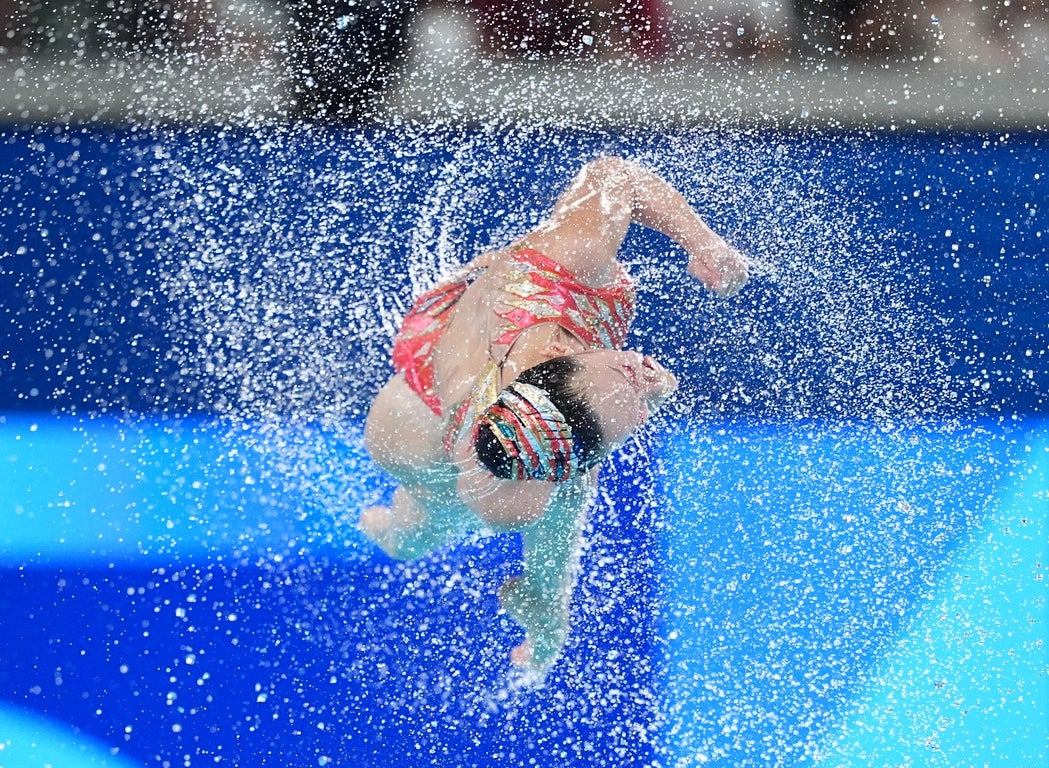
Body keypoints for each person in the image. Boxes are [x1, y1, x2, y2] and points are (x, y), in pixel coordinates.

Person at [361, 156, 748, 672]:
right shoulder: (536, 462)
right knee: (425, 525)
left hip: (440, 403)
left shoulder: (565, 266)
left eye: (629, 379)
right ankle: (392, 530)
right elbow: (552, 536)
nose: (647, 376)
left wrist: (704, 243)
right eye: (633, 389)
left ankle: (391, 529)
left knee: (431, 525)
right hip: (414, 430)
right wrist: (550, 619)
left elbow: (616, 175)